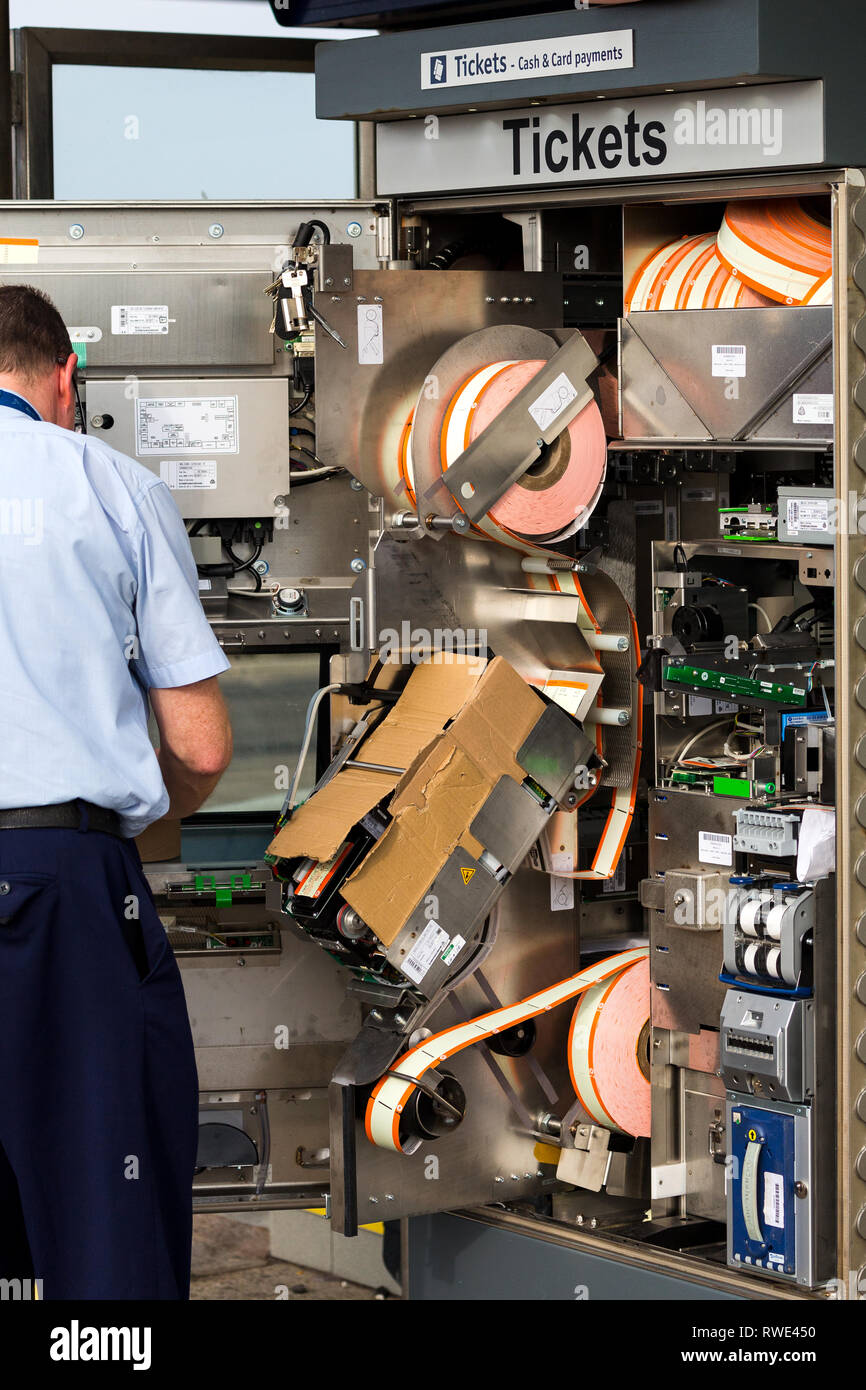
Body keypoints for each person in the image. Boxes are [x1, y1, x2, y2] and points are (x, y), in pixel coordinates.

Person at [0, 283, 233, 1299]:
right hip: (65, 878)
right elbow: (204, 743)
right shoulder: (110, 484)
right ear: (64, 379)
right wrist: (145, 824)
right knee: (101, 1204)